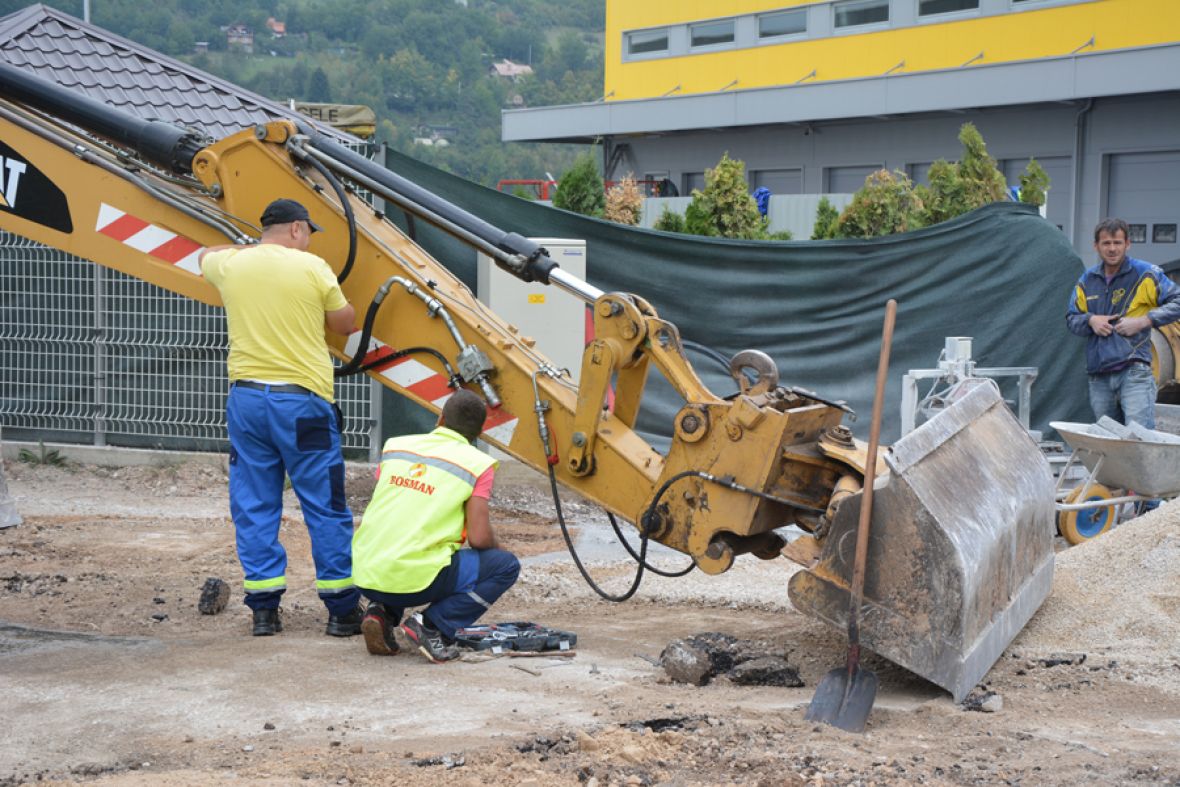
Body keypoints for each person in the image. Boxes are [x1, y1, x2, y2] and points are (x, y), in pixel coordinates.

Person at [199, 198, 364, 637]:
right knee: (324, 504)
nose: (308, 240)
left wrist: (249, 248)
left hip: (248, 402)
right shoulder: (312, 267)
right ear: (295, 228)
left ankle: (264, 612)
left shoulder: (232, 265)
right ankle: (341, 611)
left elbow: (205, 254)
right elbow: (344, 323)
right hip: (302, 404)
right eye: (307, 232)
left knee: (254, 503)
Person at [353, 389, 520, 663]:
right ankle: (432, 625)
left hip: (366, 571)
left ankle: (380, 612)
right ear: (479, 433)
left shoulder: (395, 447)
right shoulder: (478, 464)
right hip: (415, 579)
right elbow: (479, 538)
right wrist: (498, 548)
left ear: (440, 418)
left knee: (401, 544)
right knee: (506, 566)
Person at [1066, 217, 1180, 429]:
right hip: (1098, 376)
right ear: (1096, 246)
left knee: (1138, 438)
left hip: (1135, 372)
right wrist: (1091, 320)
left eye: (1117, 242)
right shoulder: (1087, 280)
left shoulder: (1145, 274)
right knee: (1108, 439)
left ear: (1127, 244)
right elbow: (1071, 318)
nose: (1112, 249)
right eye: (1106, 243)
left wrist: (1145, 321)